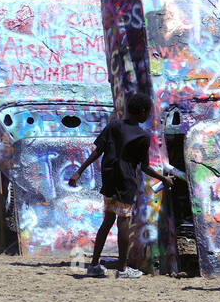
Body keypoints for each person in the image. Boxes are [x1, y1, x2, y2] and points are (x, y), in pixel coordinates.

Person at [69, 91, 180, 280]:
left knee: (107, 220)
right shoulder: (142, 136)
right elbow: (144, 167)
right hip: (126, 182)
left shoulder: (114, 126)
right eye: (148, 112)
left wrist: (79, 171)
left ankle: (94, 265)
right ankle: (122, 268)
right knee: (123, 223)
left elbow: (97, 151)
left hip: (109, 179)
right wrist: (163, 179)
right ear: (142, 112)